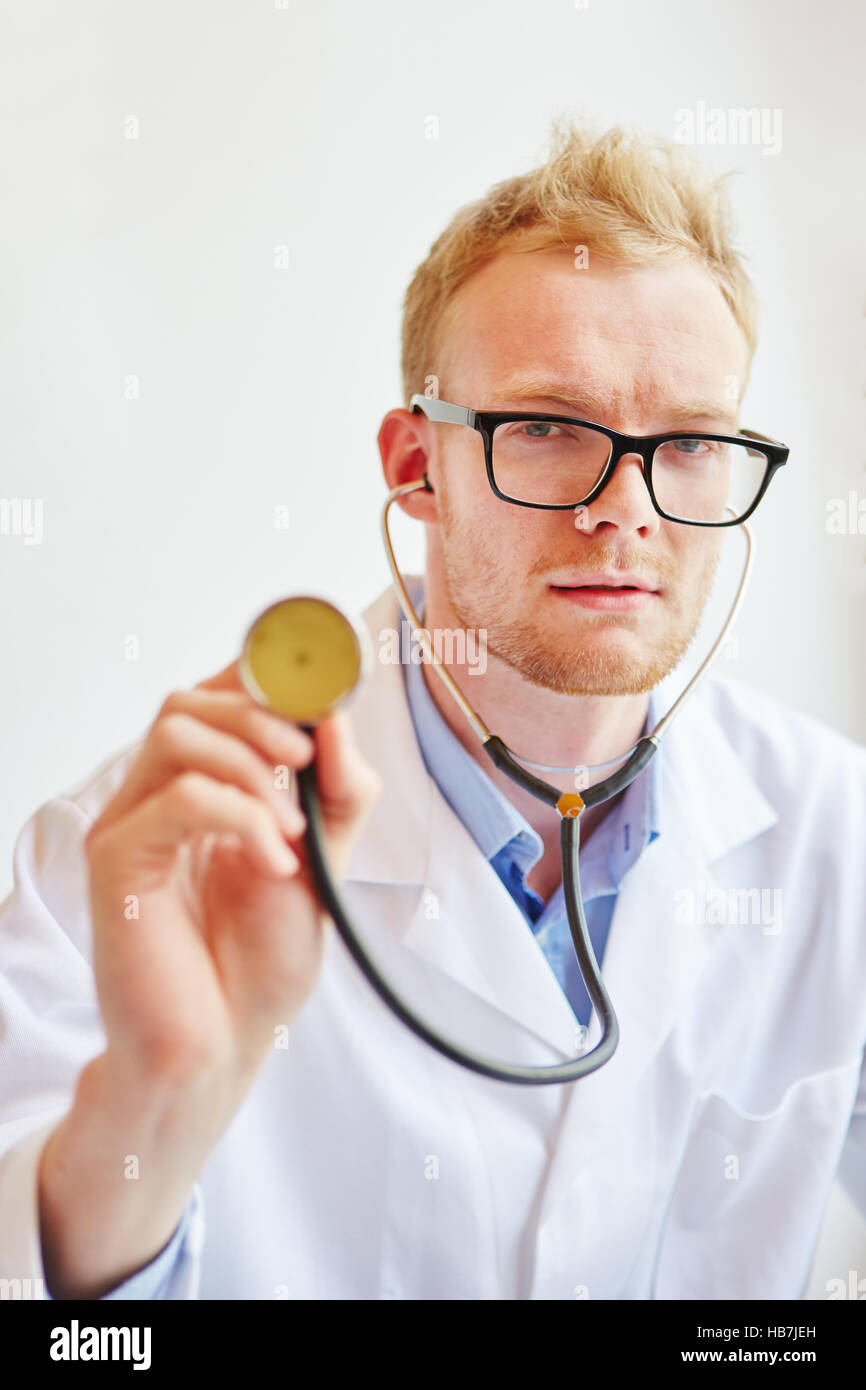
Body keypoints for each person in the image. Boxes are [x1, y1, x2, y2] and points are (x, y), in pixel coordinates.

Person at [1, 118, 864, 1302]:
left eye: (690, 442)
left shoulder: (835, 837)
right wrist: (158, 1095)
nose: (626, 507)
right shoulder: (136, 858)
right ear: (415, 466)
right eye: (550, 427)